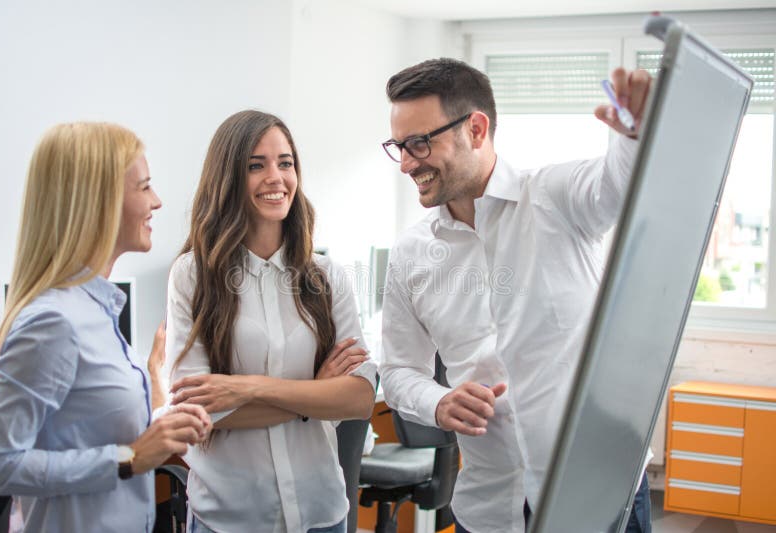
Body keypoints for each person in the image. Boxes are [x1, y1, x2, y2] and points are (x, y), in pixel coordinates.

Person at [378, 58, 653, 533]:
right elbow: (399, 369)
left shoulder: (556, 199)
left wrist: (636, 136)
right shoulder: (411, 253)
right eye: (399, 147)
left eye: (420, 143)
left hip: (597, 497)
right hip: (488, 509)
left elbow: (620, 183)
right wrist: (438, 402)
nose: (406, 163)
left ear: (477, 129)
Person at [0, 122, 212, 532]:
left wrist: (161, 426)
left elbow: (85, 429)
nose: (156, 201)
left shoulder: (95, 311)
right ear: (97, 201)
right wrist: (129, 458)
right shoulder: (54, 322)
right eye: (144, 187)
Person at [165, 110, 377, 533]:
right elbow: (198, 409)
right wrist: (314, 394)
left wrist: (245, 388)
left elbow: (358, 399)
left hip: (320, 510)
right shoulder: (193, 274)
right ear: (227, 177)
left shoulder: (327, 276)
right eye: (256, 165)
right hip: (231, 516)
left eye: (286, 162)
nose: (276, 177)